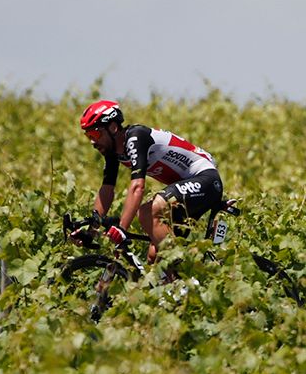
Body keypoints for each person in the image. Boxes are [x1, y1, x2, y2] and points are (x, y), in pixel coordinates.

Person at [77, 99, 223, 262]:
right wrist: (91, 231)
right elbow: (107, 190)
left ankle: (184, 268)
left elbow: (137, 187)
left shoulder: (136, 137)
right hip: (187, 191)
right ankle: (184, 282)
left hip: (206, 179)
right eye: (88, 135)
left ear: (113, 127)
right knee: (155, 258)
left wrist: (122, 229)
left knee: (147, 211)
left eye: (95, 134)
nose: (92, 141)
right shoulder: (113, 152)